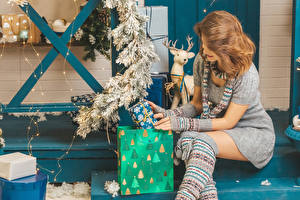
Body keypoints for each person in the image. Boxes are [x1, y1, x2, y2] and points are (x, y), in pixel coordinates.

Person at [148, 11, 275, 200]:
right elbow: (197, 106)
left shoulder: (247, 74)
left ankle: (185, 196)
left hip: (253, 133)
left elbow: (228, 122)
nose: (203, 48)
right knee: (193, 139)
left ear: (225, 49)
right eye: (203, 42)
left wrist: (182, 124)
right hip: (219, 132)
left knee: (197, 139)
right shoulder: (203, 60)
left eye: (209, 45)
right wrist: (169, 114)